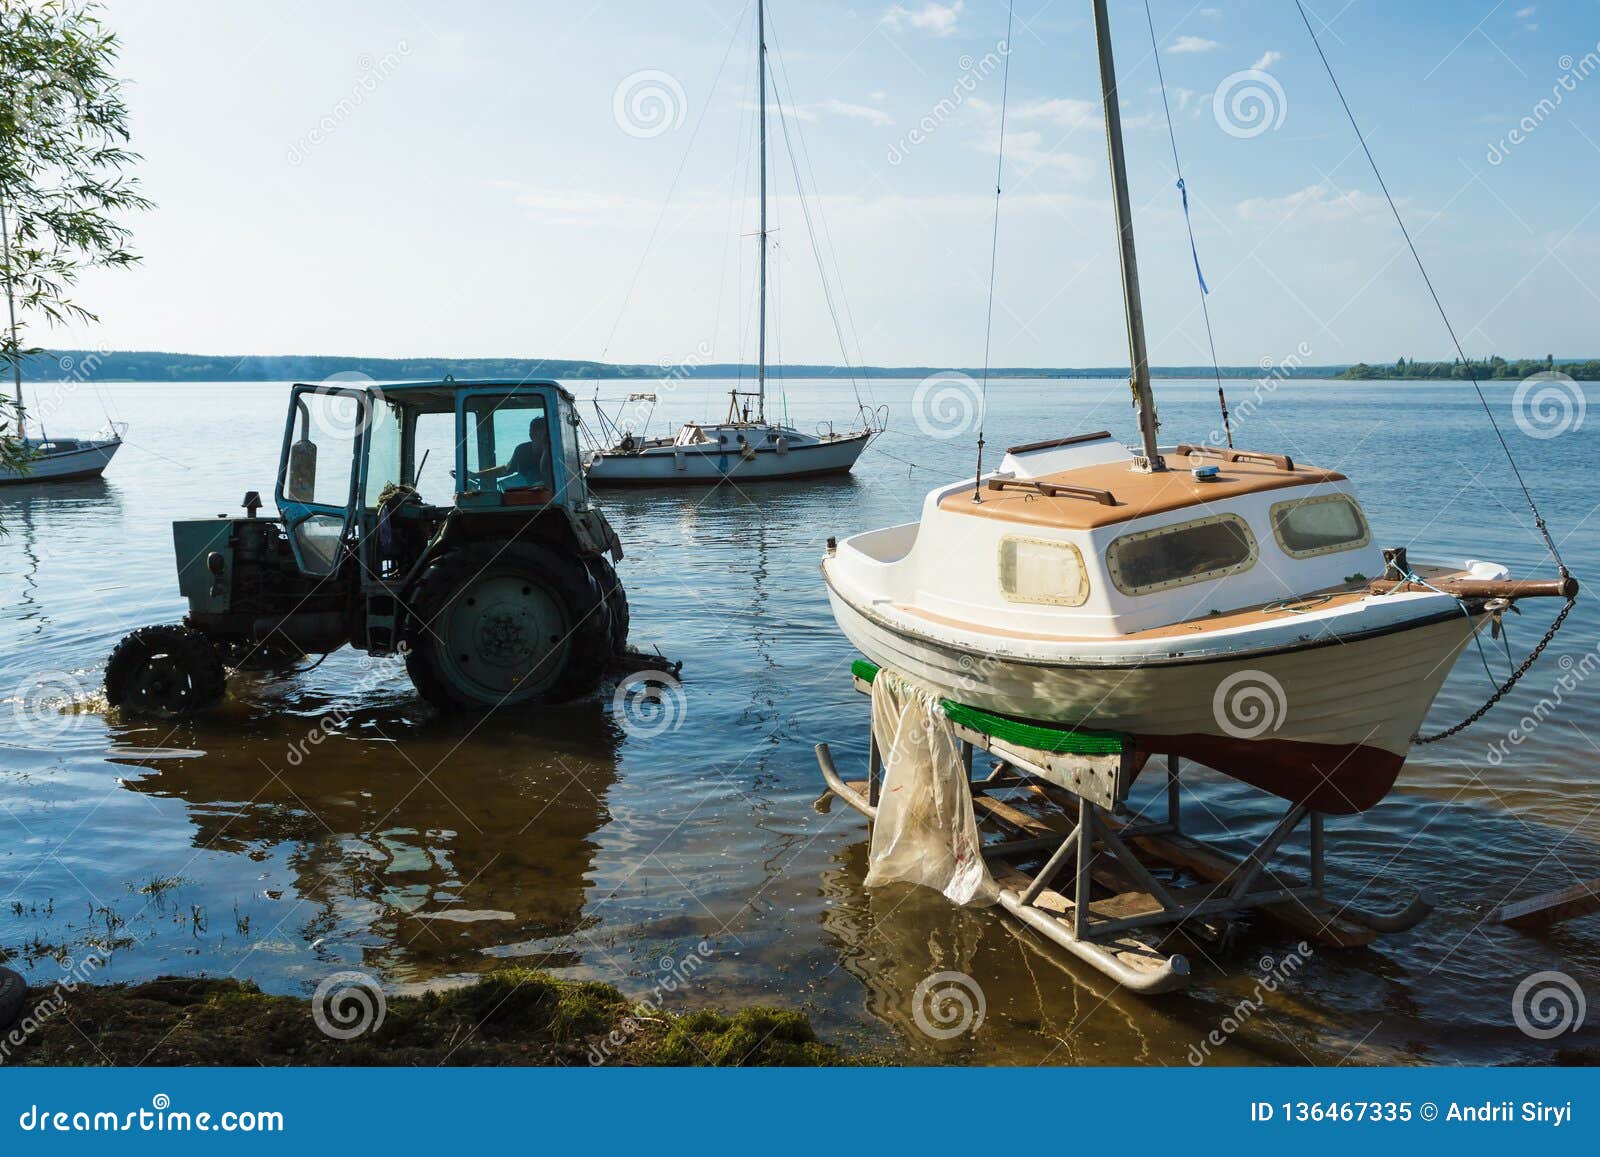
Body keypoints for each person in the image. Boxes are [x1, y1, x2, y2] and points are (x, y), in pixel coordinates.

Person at [471, 414, 552, 490]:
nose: (546, 439)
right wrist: (476, 475)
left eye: (548, 436)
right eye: (541, 435)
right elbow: (506, 470)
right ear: (531, 435)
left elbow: (547, 476)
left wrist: (546, 451)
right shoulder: (522, 450)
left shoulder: (555, 453)